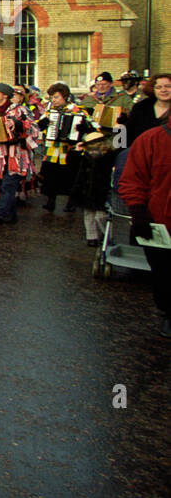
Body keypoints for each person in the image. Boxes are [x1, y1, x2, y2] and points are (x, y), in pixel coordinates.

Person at [117, 118, 171, 338]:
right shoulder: (151, 139)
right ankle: (167, 311)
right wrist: (138, 210)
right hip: (162, 221)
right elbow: (131, 179)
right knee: (164, 272)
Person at [0, 83, 39, 225]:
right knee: (2, 183)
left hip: (15, 153)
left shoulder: (19, 110)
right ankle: (11, 215)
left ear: (5, 95)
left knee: (8, 184)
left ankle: (1, 213)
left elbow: (34, 129)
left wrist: (18, 125)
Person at [37, 83, 90, 212]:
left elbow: (91, 126)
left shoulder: (78, 111)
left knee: (70, 176)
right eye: (52, 98)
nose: (53, 100)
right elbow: (39, 127)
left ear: (65, 97)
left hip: (69, 150)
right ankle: (51, 201)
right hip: (52, 149)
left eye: (56, 97)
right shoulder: (50, 111)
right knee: (51, 175)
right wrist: (42, 125)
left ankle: (71, 202)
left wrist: (83, 129)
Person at [71, 131, 117, 247]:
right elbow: (71, 164)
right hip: (86, 188)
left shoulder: (109, 155)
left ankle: (107, 236)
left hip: (101, 189)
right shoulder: (85, 154)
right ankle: (91, 237)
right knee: (88, 214)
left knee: (100, 216)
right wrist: (76, 151)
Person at [124, 73, 171, 143]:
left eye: (168, 86)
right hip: (142, 150)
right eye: (158, 87)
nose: (163, 90)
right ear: (153, 89)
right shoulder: (140, 108)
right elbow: (129, 134)